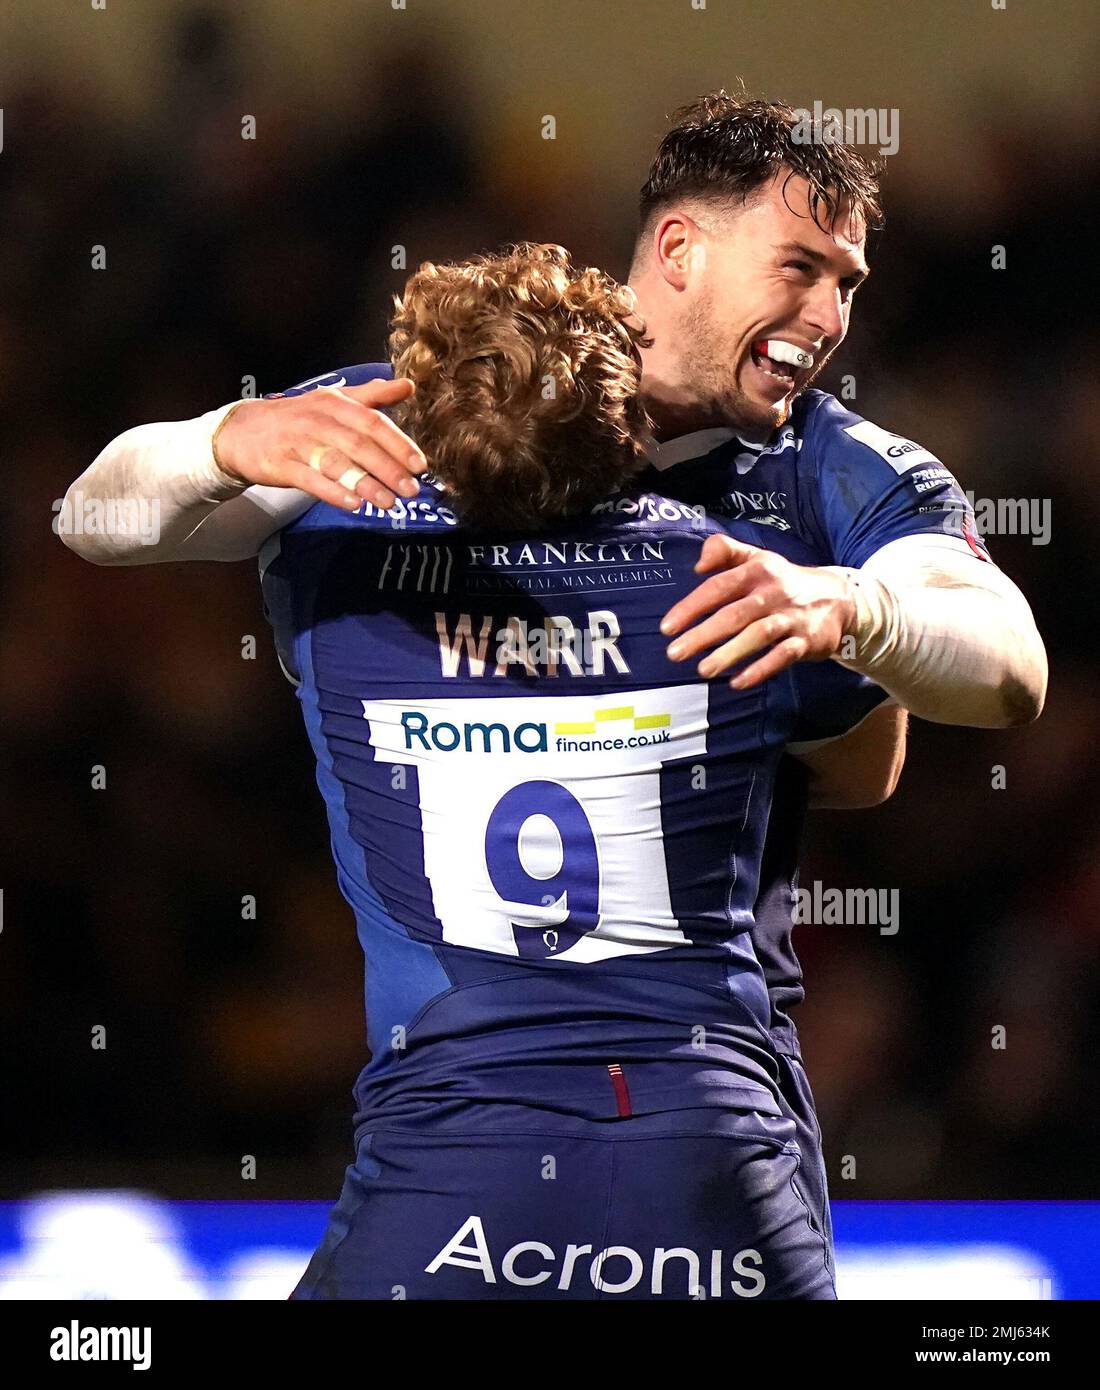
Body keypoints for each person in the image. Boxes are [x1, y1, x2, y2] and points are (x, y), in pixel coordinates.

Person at [59, 93, 1045, 1291]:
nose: (830, 317)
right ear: (678, 249)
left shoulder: (835, 469)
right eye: (801, 267)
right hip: (695, 1132)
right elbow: (93, 511)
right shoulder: (432, 413)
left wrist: (851, 609)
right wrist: (219, 439)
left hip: (493, 1118)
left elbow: (999, 669)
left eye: (848, 282)